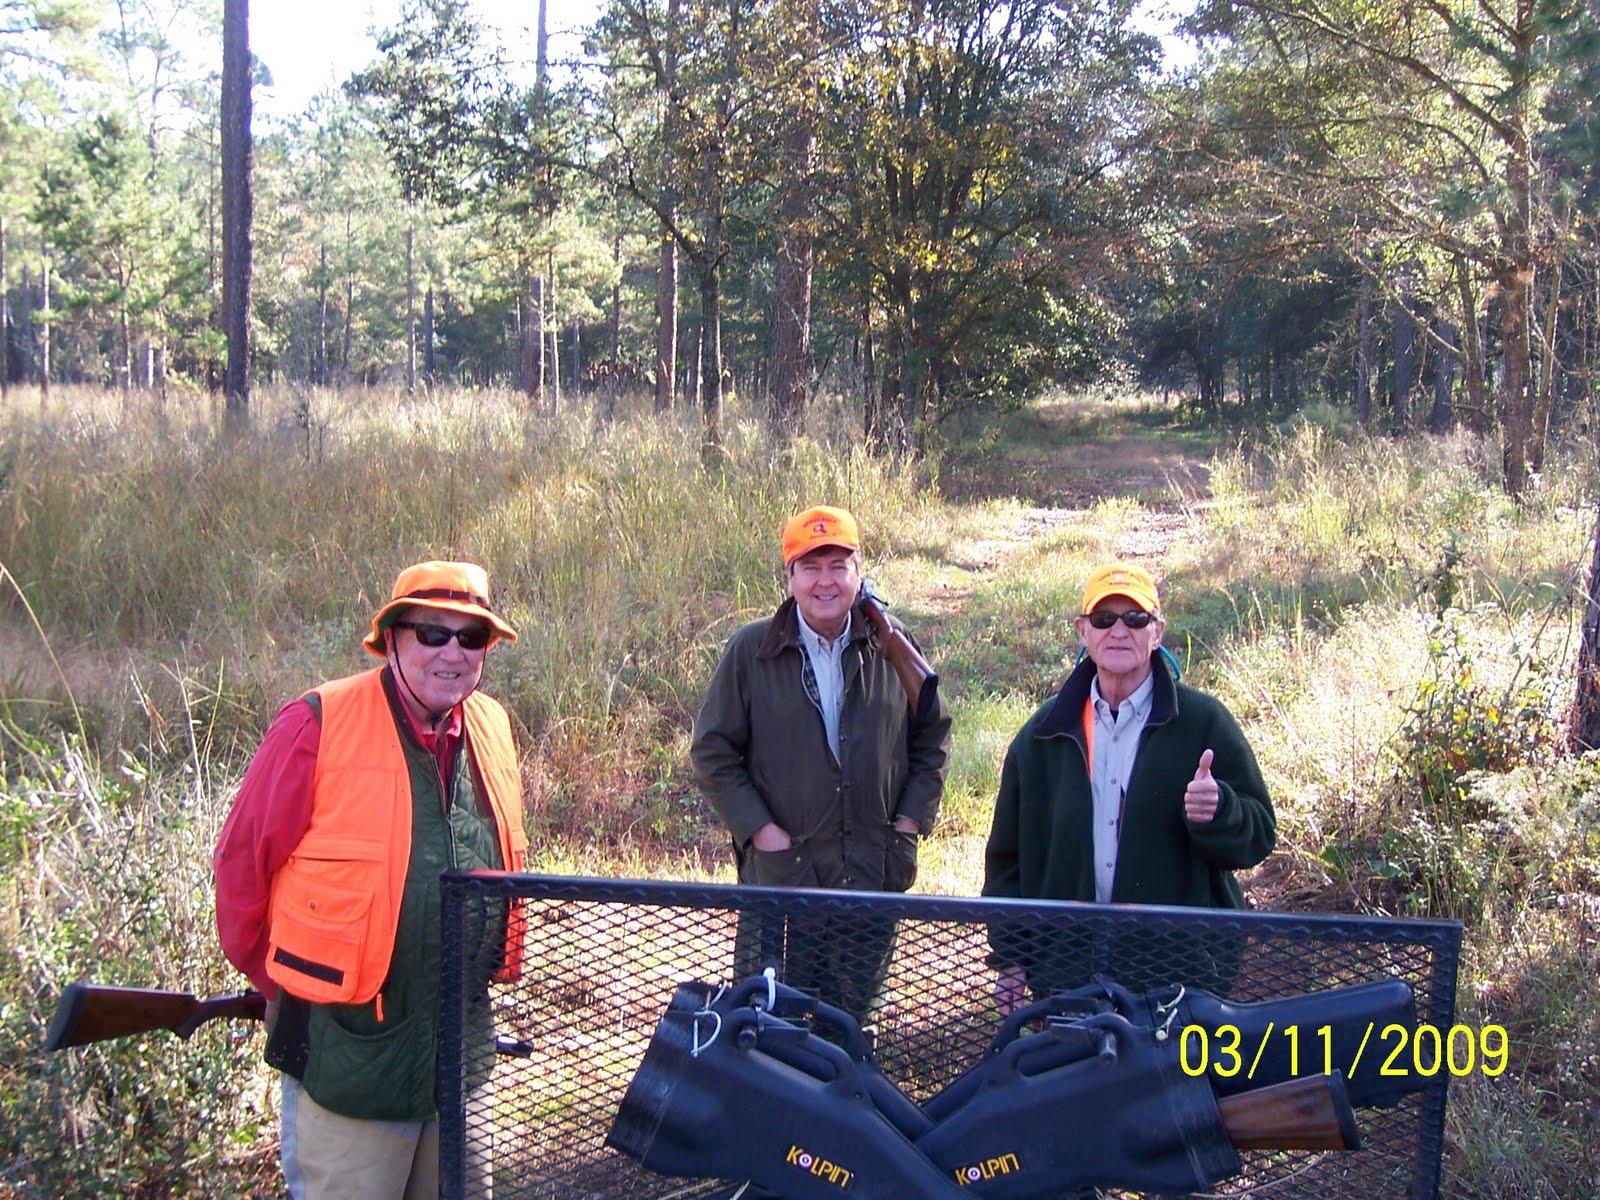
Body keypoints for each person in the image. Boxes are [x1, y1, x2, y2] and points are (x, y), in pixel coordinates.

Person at [214, 560, 527, 1200]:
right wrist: (283, 989)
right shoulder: (317, 723)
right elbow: (241, 866)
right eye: (432, 633)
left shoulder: (492, 727)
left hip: (459, 1061)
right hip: (350, 1068)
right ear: (391, 639)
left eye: (471, 637)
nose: (453, 653)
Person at [691, 504, 952, 1027]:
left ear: (859, 572)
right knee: (769, 1030)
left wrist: (906, 825)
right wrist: (762, 833)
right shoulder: (751, 650)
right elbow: (712, 753)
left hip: (871, 873)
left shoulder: (892, 643)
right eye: (810, 567)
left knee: (853, 1029)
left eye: (838, 565)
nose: (825, 581)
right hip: (785, 881)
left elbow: (933, 736)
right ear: (789, 578)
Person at [983, 562, 1275, 1010]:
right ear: (1083, 631)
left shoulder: (1204, 721)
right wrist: (1012, 959)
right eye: (1104, 619)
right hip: (1066, 978)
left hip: (1179, 980)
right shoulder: (1042, 733)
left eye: (1135, 618)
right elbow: (1007, 860)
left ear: (1157, 632)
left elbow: (1259, 835)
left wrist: (1220, 811)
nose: (1119, 630)